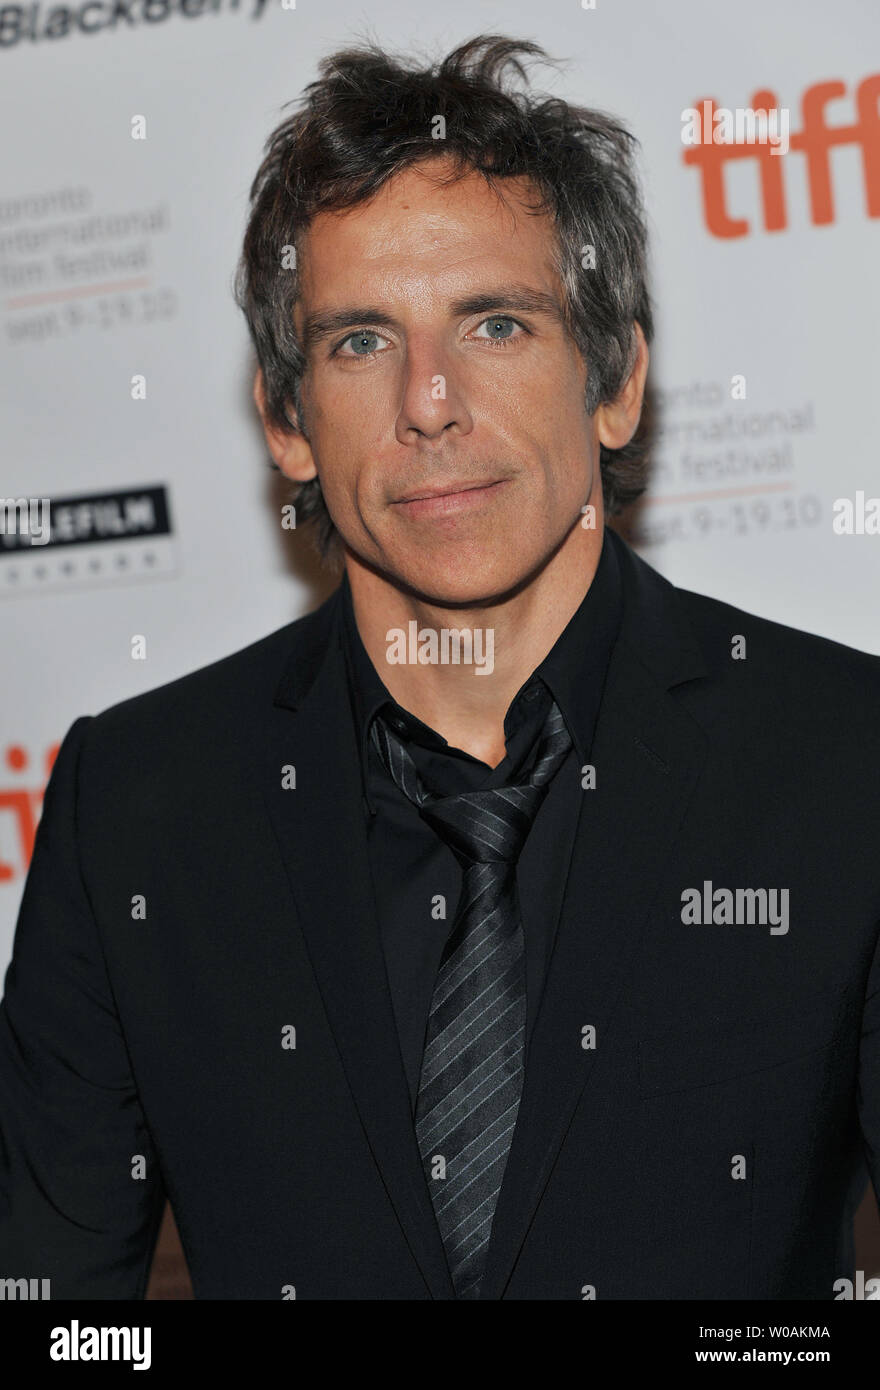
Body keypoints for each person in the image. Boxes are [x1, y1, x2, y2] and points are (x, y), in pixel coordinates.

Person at [1, 33, 878, 1301]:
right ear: (287, 421)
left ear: (619, 380)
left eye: (496, 322)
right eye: (360, 341)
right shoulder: (135, 805)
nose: (429, 400)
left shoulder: (841, 762)